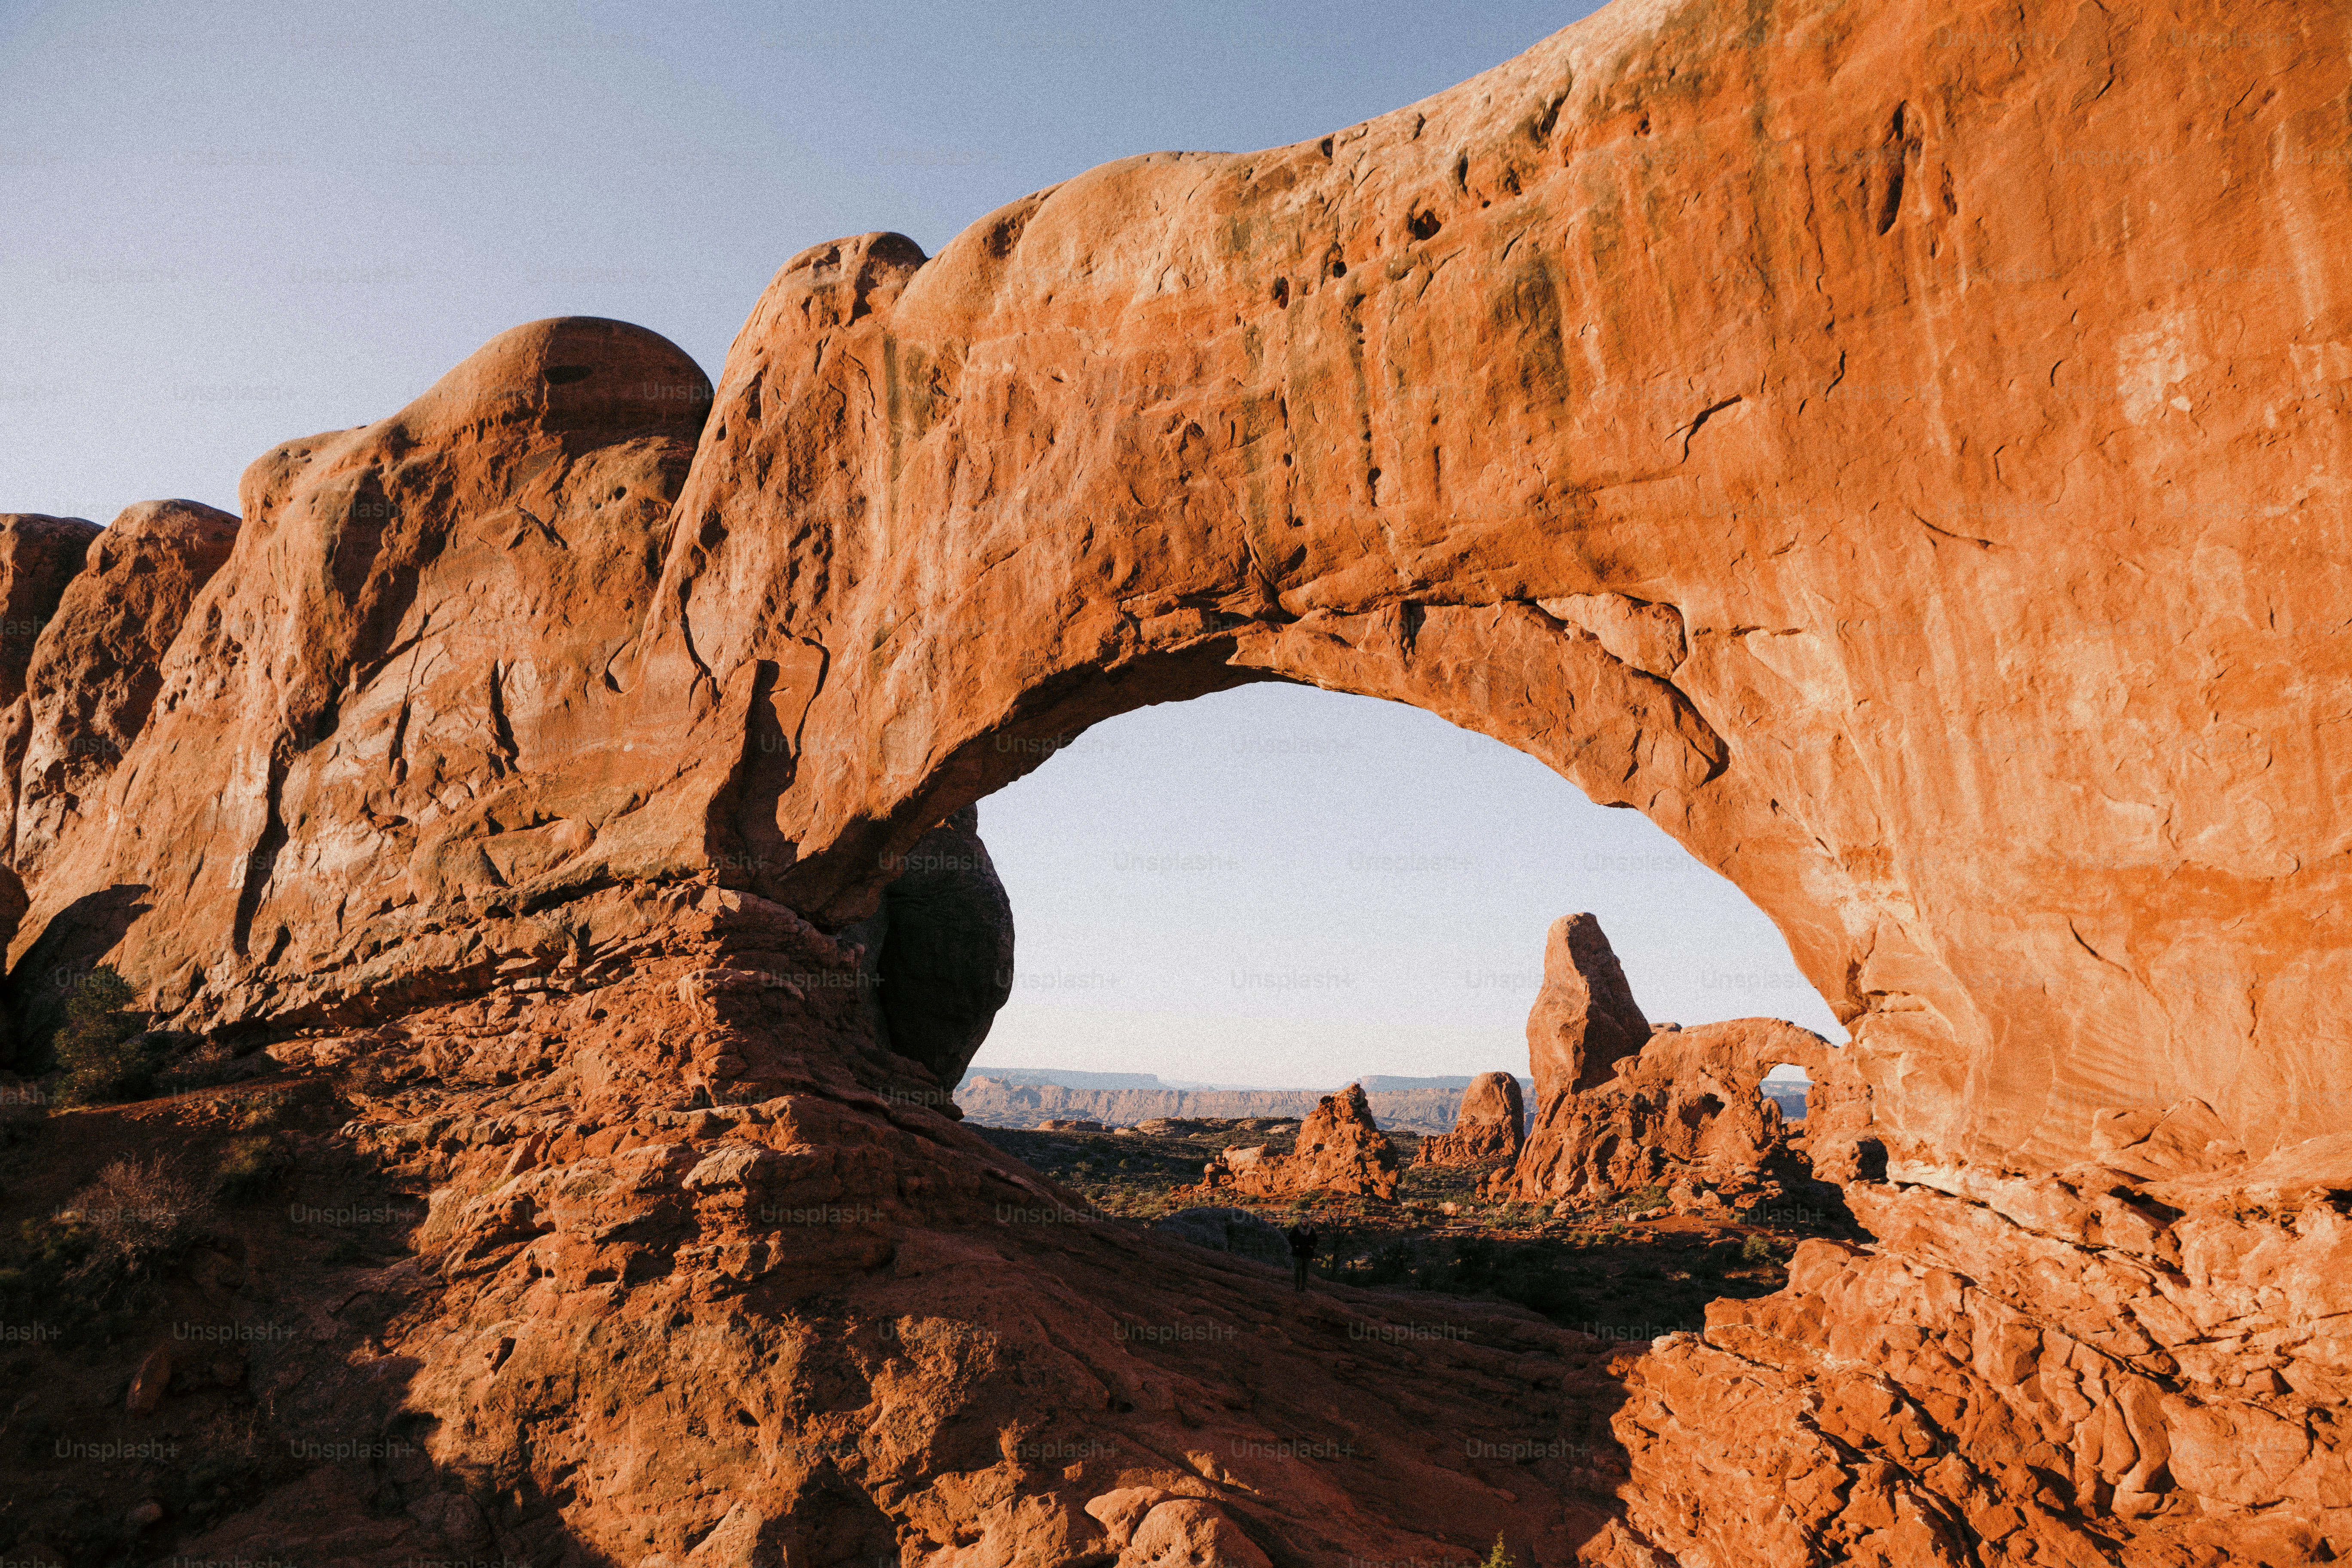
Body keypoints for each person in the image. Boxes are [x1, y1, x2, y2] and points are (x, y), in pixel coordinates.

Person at [1286, 1220, 1317, 1292]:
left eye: (1306, 1220)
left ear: (1308, 1221)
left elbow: (1316, 1240)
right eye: (1303, 1220)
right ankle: (1297, 1287)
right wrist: (1295, 1246)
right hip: (1298, 1253)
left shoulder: (1311, 1230)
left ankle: (1303, 1287)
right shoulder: (1296, 1228)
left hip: (1307, 1254)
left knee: (1305, 1271)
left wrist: (1313, 1246)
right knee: (1297, 1270)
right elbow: (1290, 1238)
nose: (1304, 1221)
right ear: (1301, 1221)